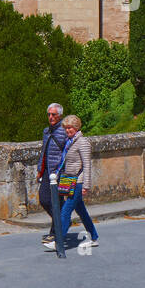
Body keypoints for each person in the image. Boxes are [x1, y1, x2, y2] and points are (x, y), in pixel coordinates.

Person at [45, 114, 99, 254]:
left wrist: (86, 185)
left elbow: (87, 165)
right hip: (69, 180)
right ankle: (94, 237)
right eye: (66, 128)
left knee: (65, 211)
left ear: (76, 127)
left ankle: (58, 242)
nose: (68, 130)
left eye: (70, 128)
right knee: (81, 211)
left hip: (78, 182)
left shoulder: (82, 142)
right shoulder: (70, 142)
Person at [37, 103, 68, 251]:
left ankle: (55, 233)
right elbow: (43, 152)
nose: (50, 117)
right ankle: (61, 222)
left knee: (57, 202)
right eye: (49, 114)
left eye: (53, 115)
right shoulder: (46, 131)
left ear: (60, 115)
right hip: (46, 173)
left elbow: (68, 153)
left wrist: (62, 171)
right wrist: (39, 170)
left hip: (59, 174)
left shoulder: (64, 131)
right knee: (43, 199)